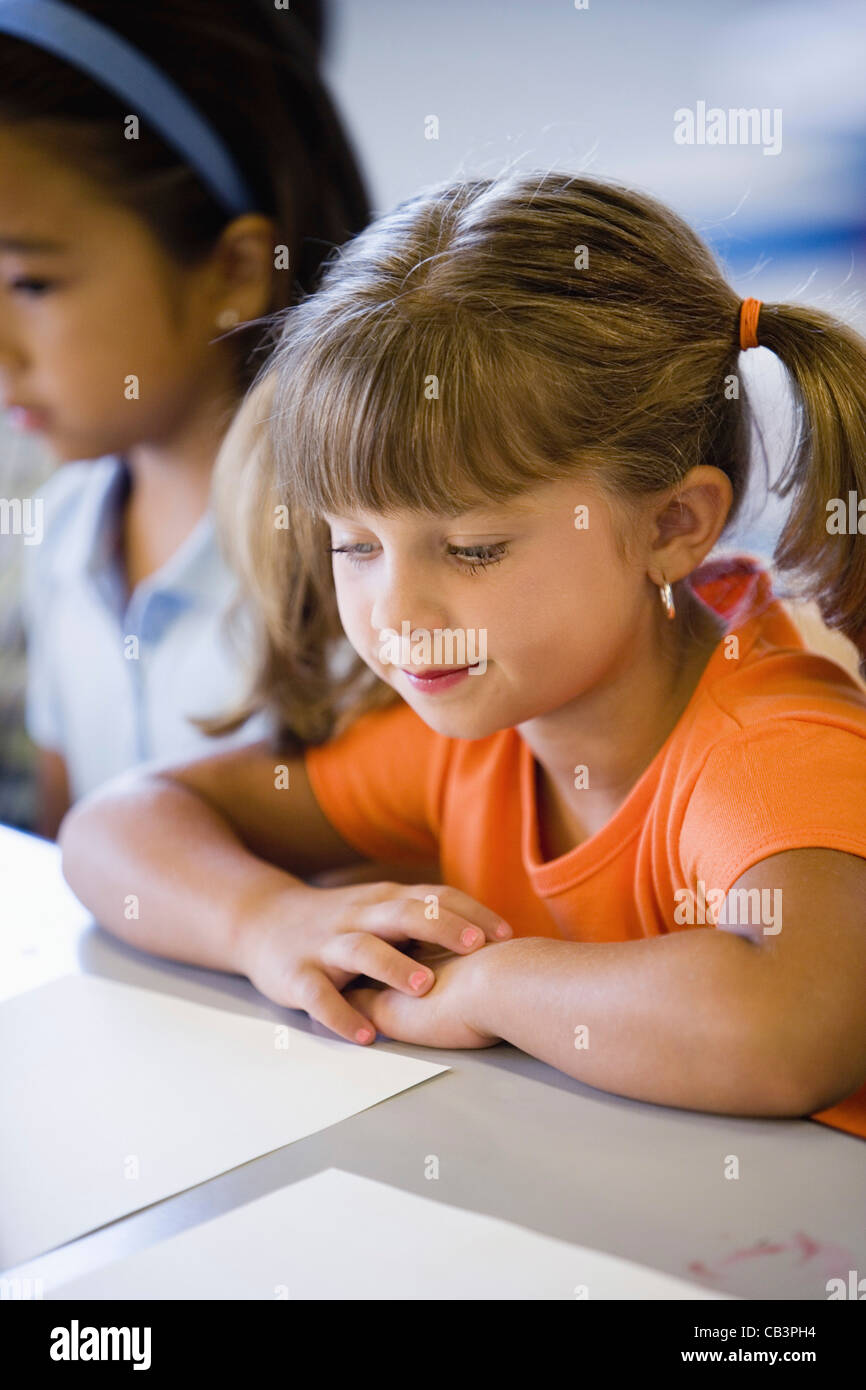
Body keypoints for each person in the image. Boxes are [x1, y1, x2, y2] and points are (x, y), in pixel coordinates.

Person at [59, 171, 866, 1141]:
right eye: (354, 544)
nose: (395, 610)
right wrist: (264, 922)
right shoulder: (476, 729)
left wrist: (492, 985)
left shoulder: (770, 751)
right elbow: (117, 828)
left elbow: (787, 1026)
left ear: (672, 524)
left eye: (471, 548)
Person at [0, 0, 371, 839]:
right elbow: (66, 865)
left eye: (31, 285)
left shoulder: (363, 567)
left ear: (235, 270)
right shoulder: (62, 528)